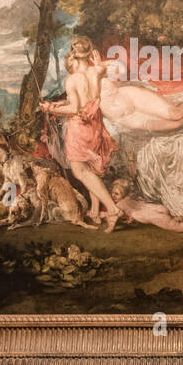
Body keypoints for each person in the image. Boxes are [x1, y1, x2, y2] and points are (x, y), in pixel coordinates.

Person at [40, 37, 122, 230]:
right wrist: (99, 62)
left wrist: (50, 108)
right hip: (95, 125)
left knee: (79, 171)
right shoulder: (97, 71)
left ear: (73, 58)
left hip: (79, 127)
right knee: (91, 170)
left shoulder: (73, 79)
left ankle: (112, 209)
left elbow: (75, 109)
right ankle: (96, 210)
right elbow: (116, 67)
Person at [91, 47, 183, 132]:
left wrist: (101, 66)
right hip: (126, 117)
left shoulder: (99, 69)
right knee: (178, 124)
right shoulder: (80, 84)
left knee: (176, 114)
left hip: (130, 97)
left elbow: (120, 69)